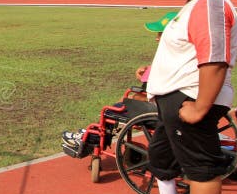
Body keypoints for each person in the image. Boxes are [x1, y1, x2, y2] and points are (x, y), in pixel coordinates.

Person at [133, 0, 237, 194]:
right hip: (175, 99)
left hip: (190, 100)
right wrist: (155, 72)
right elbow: (186, 53)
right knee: (161, 156)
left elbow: (215, 60)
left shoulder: (211, 5)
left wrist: (201, 106)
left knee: (201, 168)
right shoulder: (196, 4)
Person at [61, 11, 177, 144]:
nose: (157, 38)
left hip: (160, 111)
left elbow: (157, 91)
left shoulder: (169, 60)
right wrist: (146, 72)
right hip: (167, 108)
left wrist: (137, 94)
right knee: (126, 99)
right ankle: (97, 130)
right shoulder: (180, 56)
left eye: (160, 34)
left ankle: (94, 137)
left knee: (118, 106)